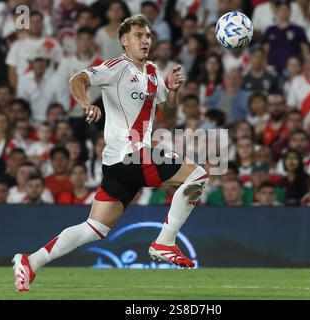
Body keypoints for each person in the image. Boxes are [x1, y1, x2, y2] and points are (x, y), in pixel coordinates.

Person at [12, 14, 209, 291]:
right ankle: (165, 241)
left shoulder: (152, 72)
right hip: (130, 154)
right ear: (124, 41)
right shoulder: (116, 67)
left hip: (120, 163)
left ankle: (30, 261)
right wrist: (85, 104)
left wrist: (173, 92)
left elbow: (169, 113)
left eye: (148, 36)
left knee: (95, 228)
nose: (145, 40)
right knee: (198, 175)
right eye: (138, 35)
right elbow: (77, 79)